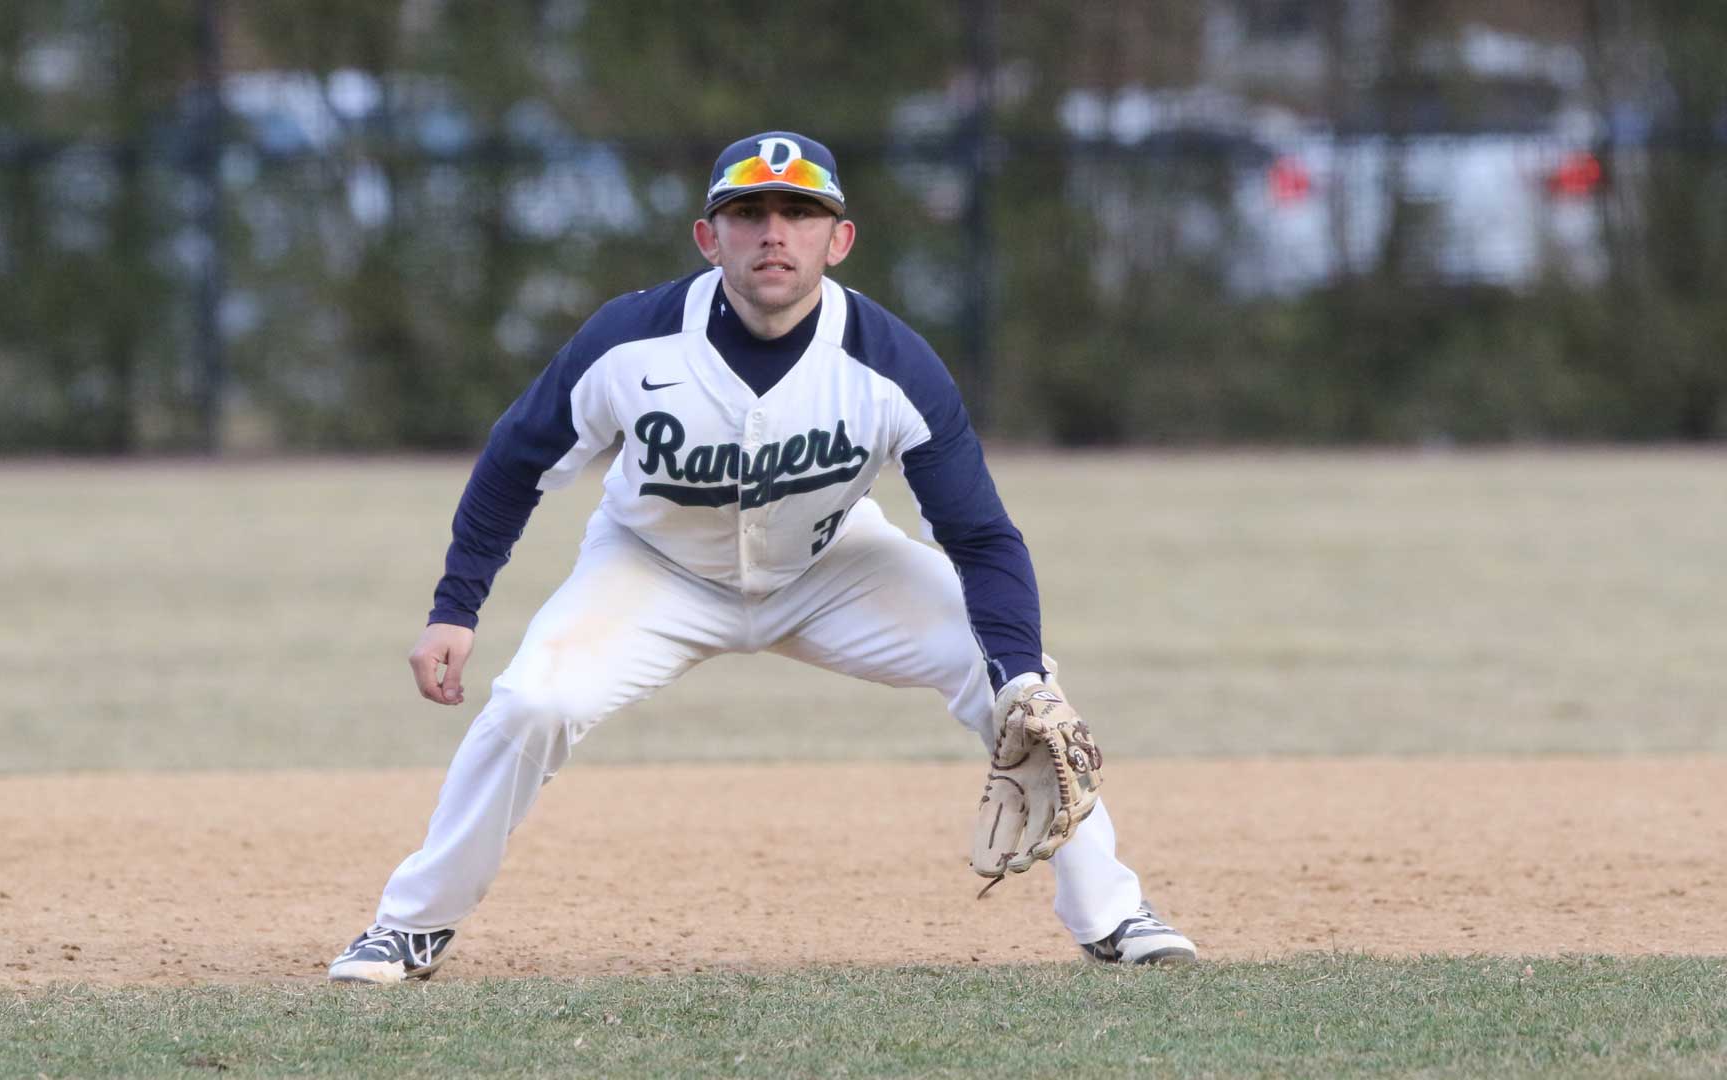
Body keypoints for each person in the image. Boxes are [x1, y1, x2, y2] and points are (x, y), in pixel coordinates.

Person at [328, 131, 1196, 983]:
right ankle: (411, 926)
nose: (774, 232)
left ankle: (1113, 916)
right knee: (532, 703)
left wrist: (1016, 670)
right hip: (651, 567)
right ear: (710, 238)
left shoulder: (892, 367)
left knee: (1023, 688)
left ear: (839, 239)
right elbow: (514, 464)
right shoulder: (629, 342)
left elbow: (980, 537)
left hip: (832, 566)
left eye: (800, 212)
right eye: (748, 213)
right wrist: (455, 607)